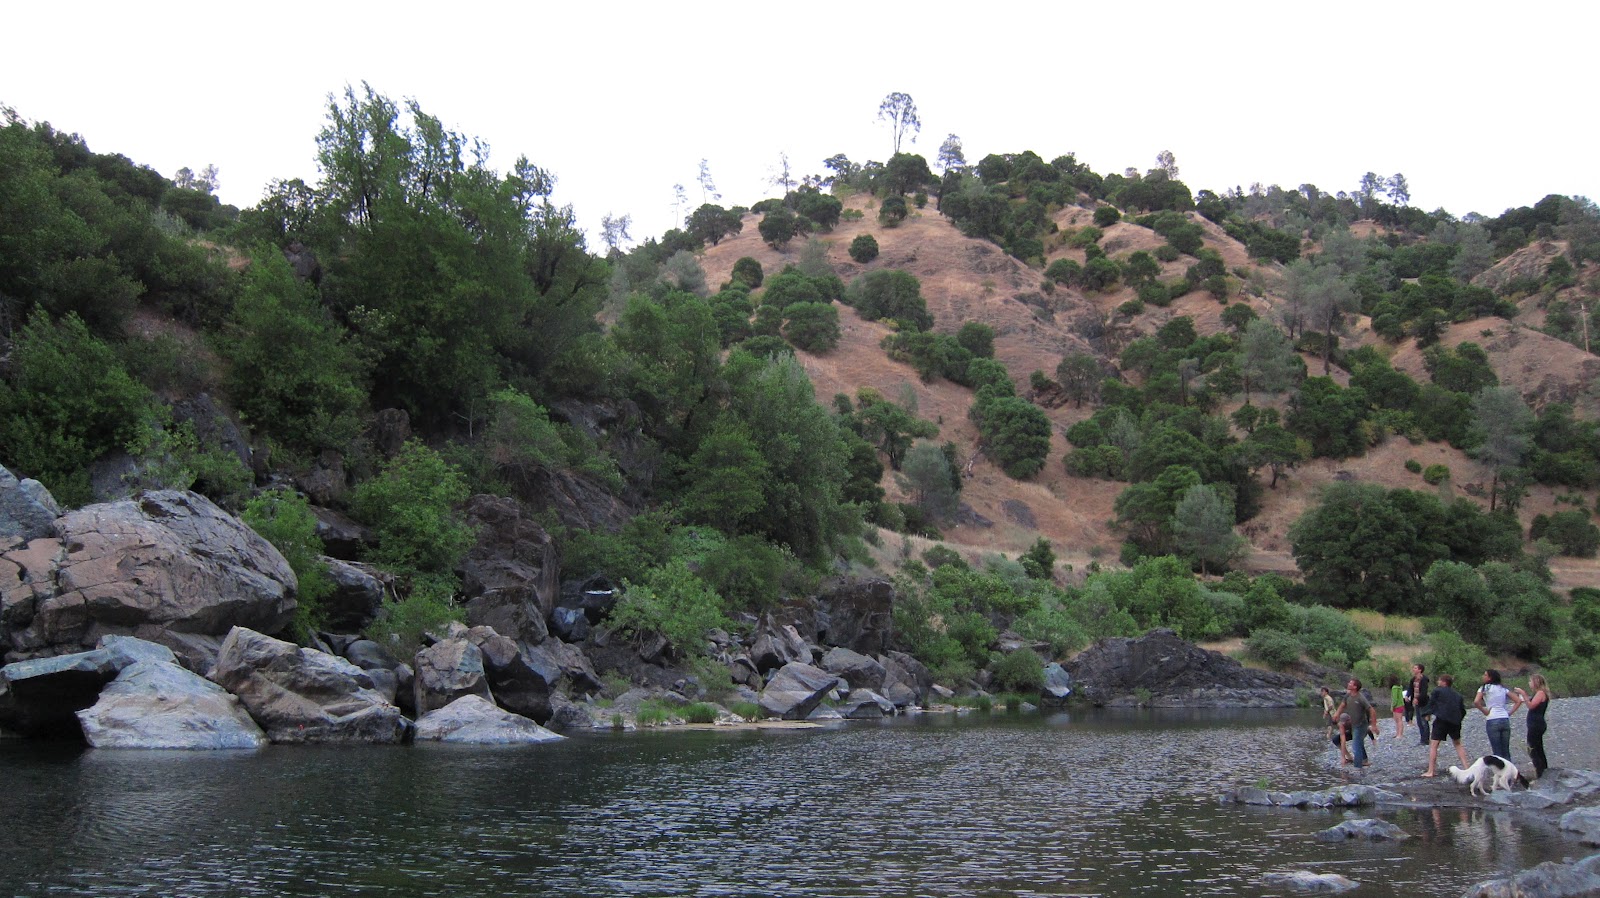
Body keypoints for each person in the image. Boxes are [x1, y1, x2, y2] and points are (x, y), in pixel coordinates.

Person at [1423, 673, 1471, 777]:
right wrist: (1458, 720)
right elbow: (1462, 710)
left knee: (1434, 745)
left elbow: (1432, 703)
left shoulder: (1437, 691)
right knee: (1458, 744)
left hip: (1441, 720)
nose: (1438, 682)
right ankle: (1467, 768)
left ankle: (1431, 771)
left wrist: (1427, 713)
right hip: (1455, 722)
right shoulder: (1458, 695)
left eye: (1439, 680)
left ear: (1444, 682)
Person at [1474, 668, 1521, 760]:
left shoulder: (1484, 688)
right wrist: (1509, 713)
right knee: (1505, 750)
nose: (1483, 677)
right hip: (1504, 718)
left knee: (1497, 751)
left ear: (1490, 678)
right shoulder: (1502, 688)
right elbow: (1518, 701)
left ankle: (1500, 771)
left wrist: (1485, 711)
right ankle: (1510, 771)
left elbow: (1476, 702)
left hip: (1492, 719)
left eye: (1485, 675)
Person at [1336, 678, 1379, 768]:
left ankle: (1358, 768)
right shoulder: (1347, 696)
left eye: (1350, 683)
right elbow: (1342, 705)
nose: (1348, 683)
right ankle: (1363, 761)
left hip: (1361, 725)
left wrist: (1374, 725)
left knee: (1356, 746)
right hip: (1353, 724)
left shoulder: (1360, 698)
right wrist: (1337, 714)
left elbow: (1372, 710)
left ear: (1355, 687)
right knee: (1358, 744)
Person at [1519, 674, 1552, 780]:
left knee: (1532, 749)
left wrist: (1523, 694)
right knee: (1538, 748)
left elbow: (1531, 705)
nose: (1529, 683)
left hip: (1536, 724)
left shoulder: (1540, 693)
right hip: (1536, 724)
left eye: (1530, 681)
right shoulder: (1540, 693)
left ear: (1536, 682)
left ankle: (1540, 772)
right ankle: (1544, 771)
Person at [1406, 663, 1431, 747]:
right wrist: (1407, 695)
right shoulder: (1413, 679)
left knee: (1424, 721)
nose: (1413, 669)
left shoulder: (1424, 680)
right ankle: (1422, 739)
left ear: (1420, 670)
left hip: (1423, 702)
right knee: (1419, 721)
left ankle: (1426, 739)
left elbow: (1424, 692)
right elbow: (1410, 689)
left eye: (1415, 668)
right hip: (1416, 702)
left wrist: (1417, 698)